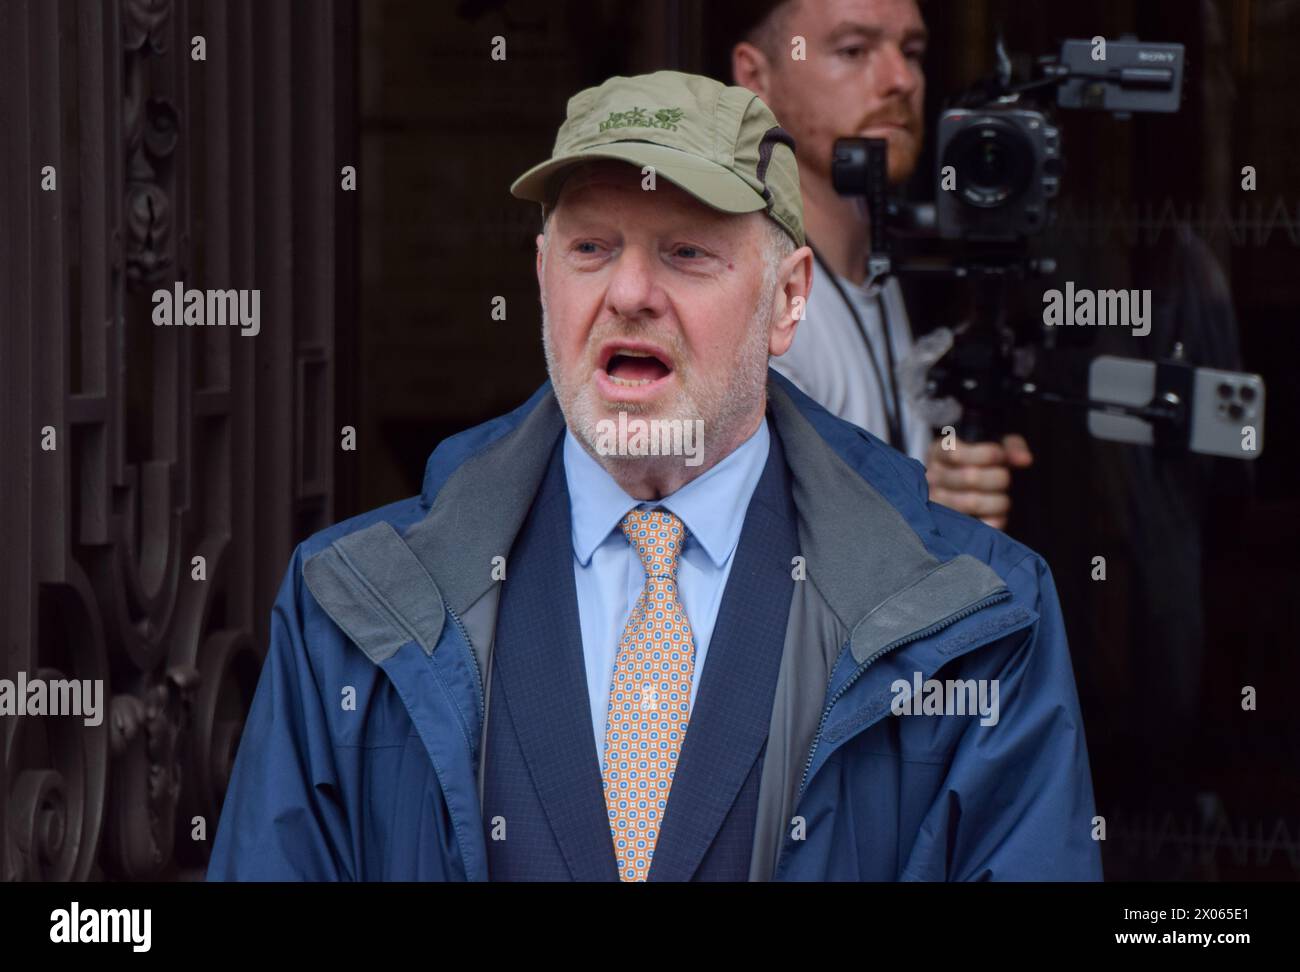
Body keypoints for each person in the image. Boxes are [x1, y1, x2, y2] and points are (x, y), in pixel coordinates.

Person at [207, 70, 1101, 881]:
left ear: (787, 299)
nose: (629, 292)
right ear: (543, 275)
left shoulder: (978, 622)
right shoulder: (353, 610)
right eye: (592, 248)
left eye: (686, 252)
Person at [732, 0, 1033, 529]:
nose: (901, 80)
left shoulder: (876, 269)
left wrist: (941, 487)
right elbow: (764, 557)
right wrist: (916, 516)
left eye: (912, 51)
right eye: (852, 50)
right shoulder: (750, 301)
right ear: (756, 76)